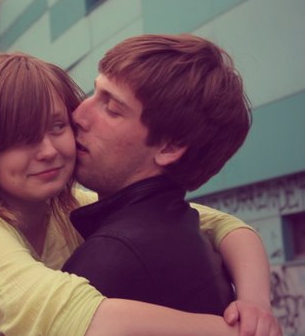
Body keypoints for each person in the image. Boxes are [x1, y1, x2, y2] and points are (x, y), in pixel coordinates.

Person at [0, 52, 277, 336]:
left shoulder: (59, 210)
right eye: (21, 137)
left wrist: (255, 304)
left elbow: (223, 224)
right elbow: (81, 318)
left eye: (57, 126)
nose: (47, 150)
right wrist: (228, 331)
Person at [62, 34, 253, 317]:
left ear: (170, 147)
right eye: (94, 92)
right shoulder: (188, 236)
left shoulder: (113, 258)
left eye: (112, 109)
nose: (79, 114)